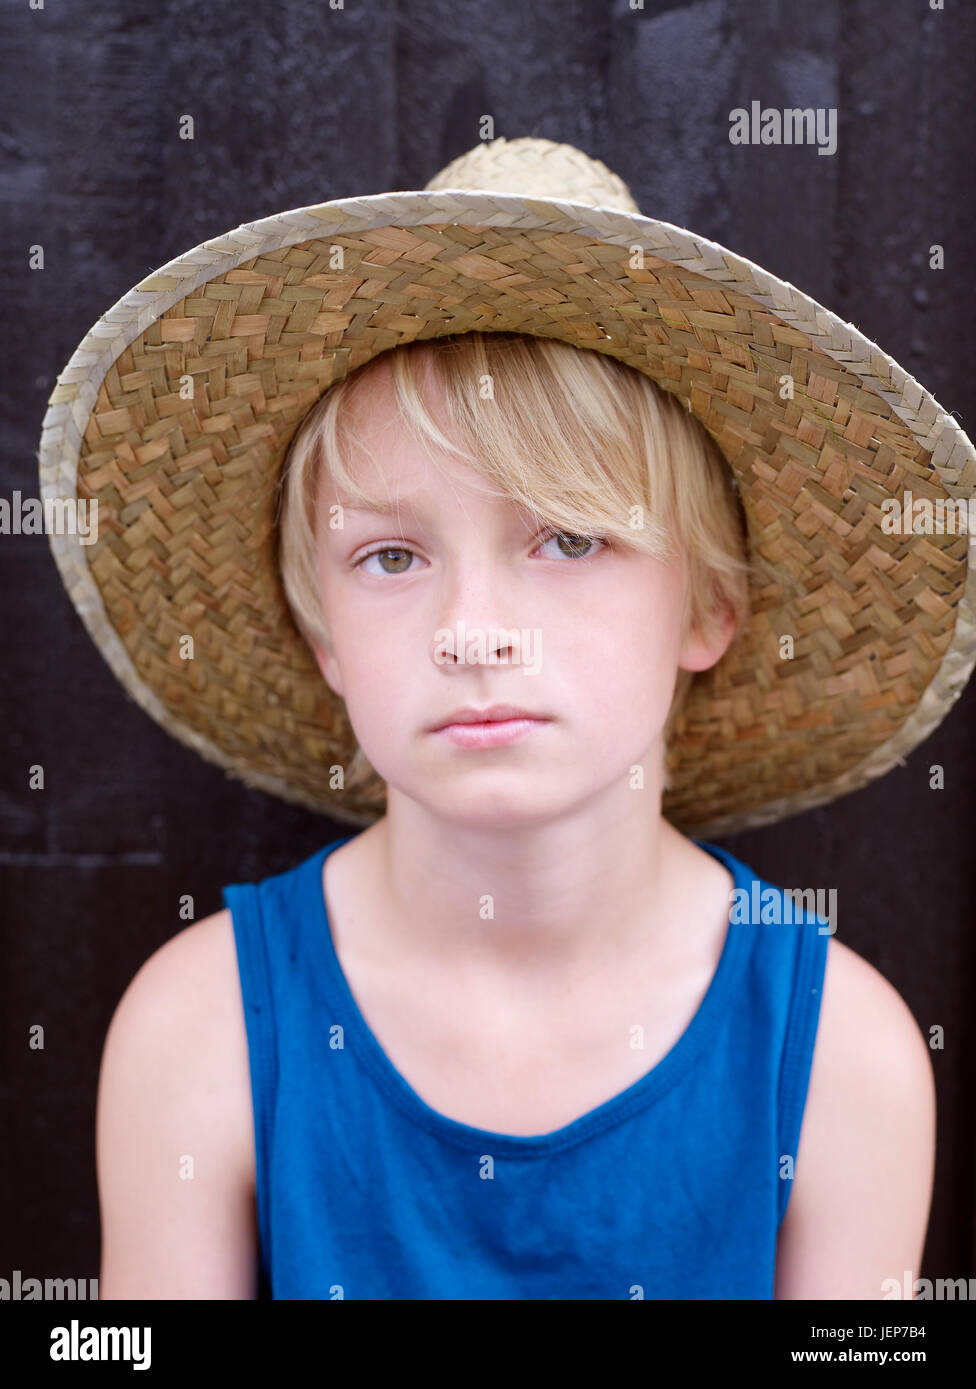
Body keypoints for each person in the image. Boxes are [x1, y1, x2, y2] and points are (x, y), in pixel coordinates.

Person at [39, 136, 964, 1299]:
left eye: (569, 539)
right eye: (389, 555)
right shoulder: (203, 1026)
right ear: (323, 635)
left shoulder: (840, 1059)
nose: (473, 629)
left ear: (710, 607)